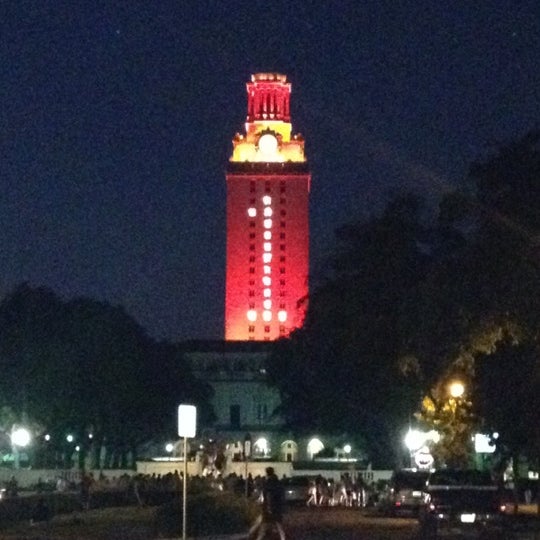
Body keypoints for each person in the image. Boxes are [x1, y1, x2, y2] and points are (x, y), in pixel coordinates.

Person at [248, 467, 286, 540]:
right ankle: (283, 538)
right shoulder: (278, 482)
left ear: (267, 473)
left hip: (269, 508)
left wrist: (268, 507)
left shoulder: (268, 483)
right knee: (279, 526)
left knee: (263, 526)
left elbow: (268, 496)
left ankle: (252, 535)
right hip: (277, 507)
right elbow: (282, 495)